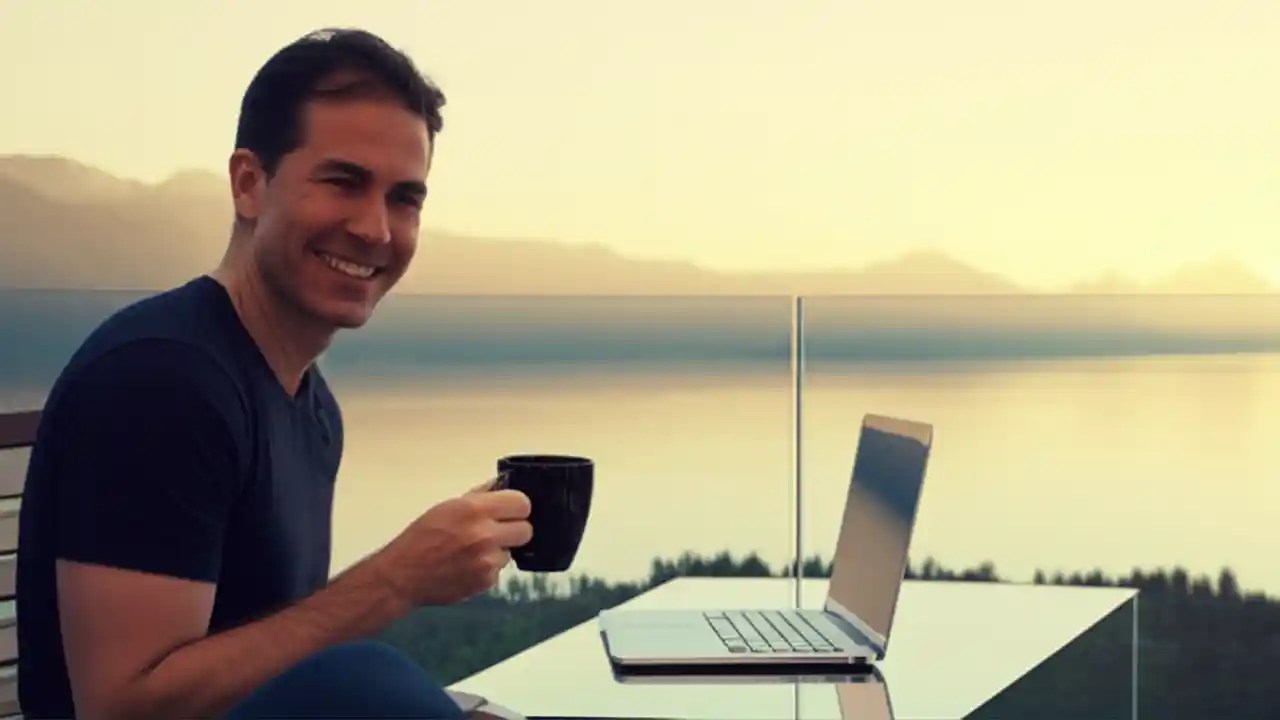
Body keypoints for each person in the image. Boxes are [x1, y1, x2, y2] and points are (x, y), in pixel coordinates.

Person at [15, 27, 533, 719]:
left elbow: (274, 669)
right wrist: (395, 581)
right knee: (371, 683)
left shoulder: (311, 409)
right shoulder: (159, 383)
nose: (376, 229)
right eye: (343, 181)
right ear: (249, 184)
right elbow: (122, 708)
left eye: (404, 198)